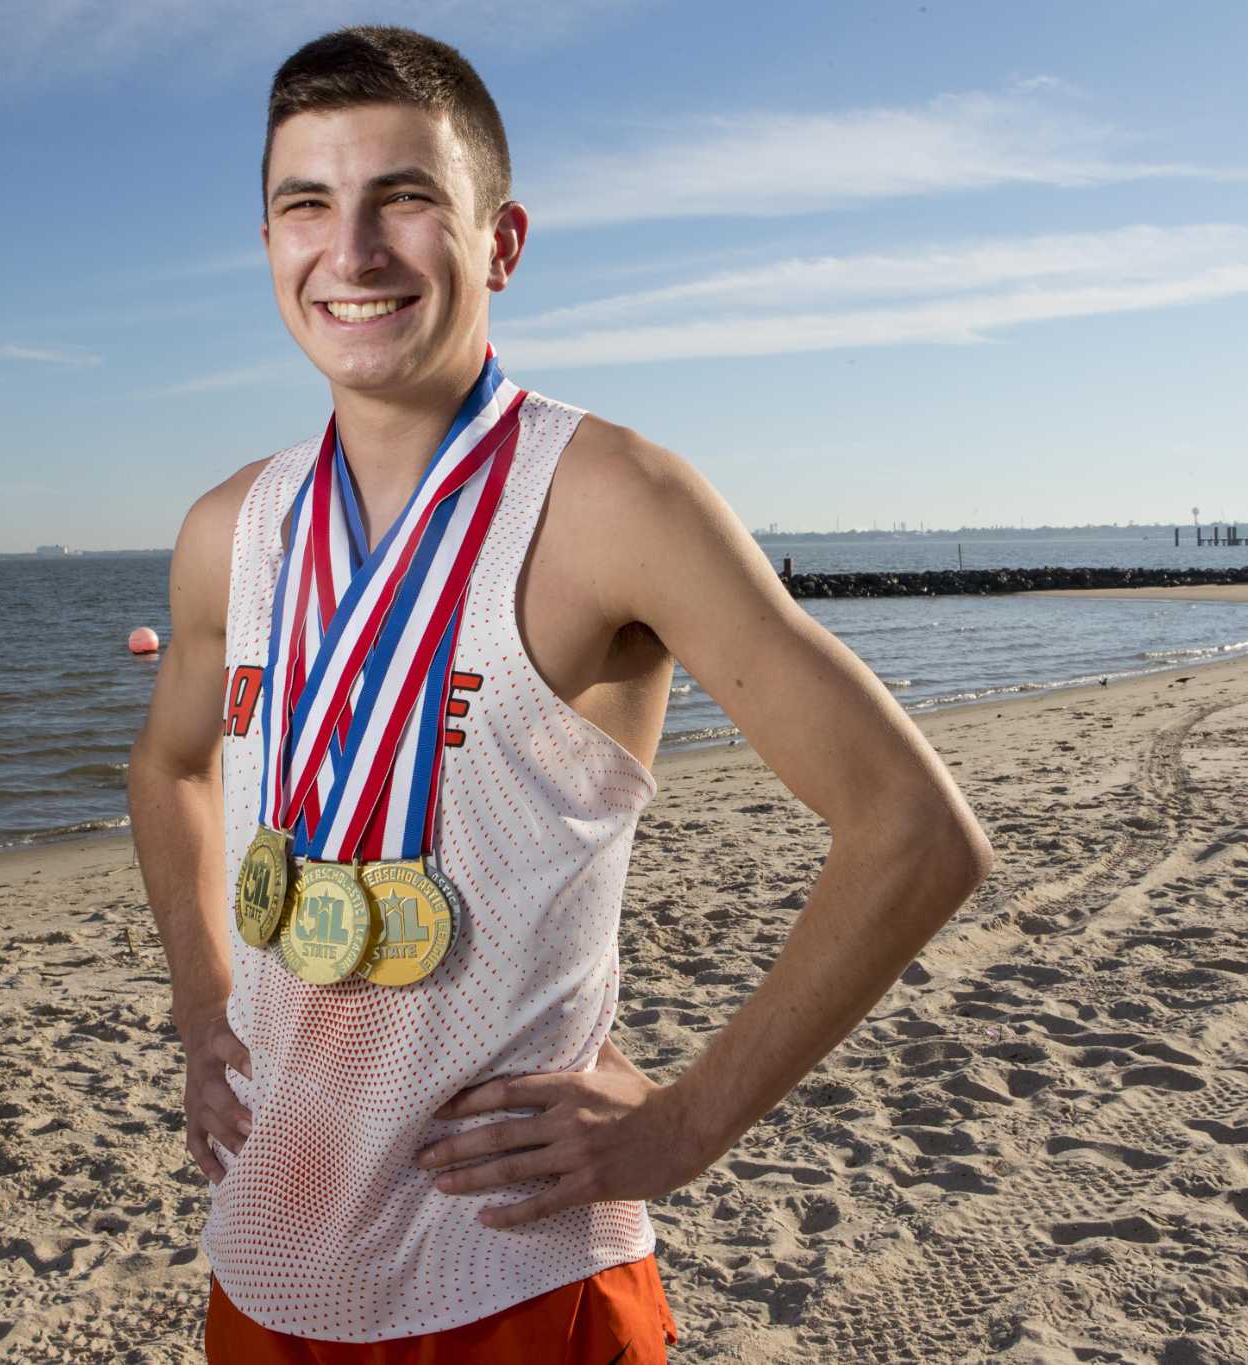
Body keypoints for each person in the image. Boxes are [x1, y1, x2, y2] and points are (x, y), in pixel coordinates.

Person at [127, 25, 994, 1363]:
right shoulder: (226, 530)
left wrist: (686, 1122)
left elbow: (916, 830)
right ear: (268, 243)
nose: (351, 252)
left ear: (503, 242)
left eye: (404, 199)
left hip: (512, 1280)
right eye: (309, 203)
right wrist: (202, 1004)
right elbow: (171, 766)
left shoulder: (611, 499)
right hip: (266, 1264)